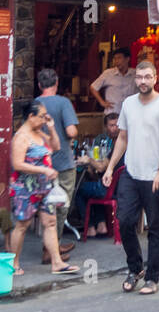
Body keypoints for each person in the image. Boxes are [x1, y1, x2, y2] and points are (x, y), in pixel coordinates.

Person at [103, 60, 159, 295]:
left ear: (155, 78)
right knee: (124, 221)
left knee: (155, 227)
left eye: (147, 77)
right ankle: (135, 269)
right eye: (139, 77)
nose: (143, 81)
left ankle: (152, 277)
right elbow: (122, 138)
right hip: (131, 173)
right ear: (135, 80)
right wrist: (110, 167)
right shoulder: (128, 104)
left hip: (155, 175)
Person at [8, 100, 77, 276]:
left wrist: (52, 127)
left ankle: (57, 262)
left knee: (50, 222)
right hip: (25, 187)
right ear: (31, 117)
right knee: (22, 225)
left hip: (45, 187)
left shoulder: (39, 132)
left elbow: (56, 147)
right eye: (42, 116)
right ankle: (14, 263)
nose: (44, 120)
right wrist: (42, 169)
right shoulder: (21, 137)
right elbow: (17, 164)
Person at [34, 68, 78, 264]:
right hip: (63, 162)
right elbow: (71, 131)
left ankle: (52, 245)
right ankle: (50, 249)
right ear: (57, 83)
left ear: (39, 85)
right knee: (61, 206)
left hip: (41, 164)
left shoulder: (35, 104)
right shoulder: (64, 103)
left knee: (46, 205)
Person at [74, 112, 121, 234]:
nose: (114, 128)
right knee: (93, 186)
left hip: (111, 189)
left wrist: (89, 160)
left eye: (117, 125)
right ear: (106, 127)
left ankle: (89, 227)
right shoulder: (120, 143)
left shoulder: (117, 146)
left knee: (78, 190)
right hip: (117, 188)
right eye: (111, 125)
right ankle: (101, 225)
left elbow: (100, 168)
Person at [91, 47, 137, 116]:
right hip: (112, 114)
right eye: (115, 58)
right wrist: (101, 102)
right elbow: (93, 87)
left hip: (129, 114)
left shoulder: (135, 74)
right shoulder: (108, 73)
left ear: (127, 59)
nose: (116, 61)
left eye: (119, 58)